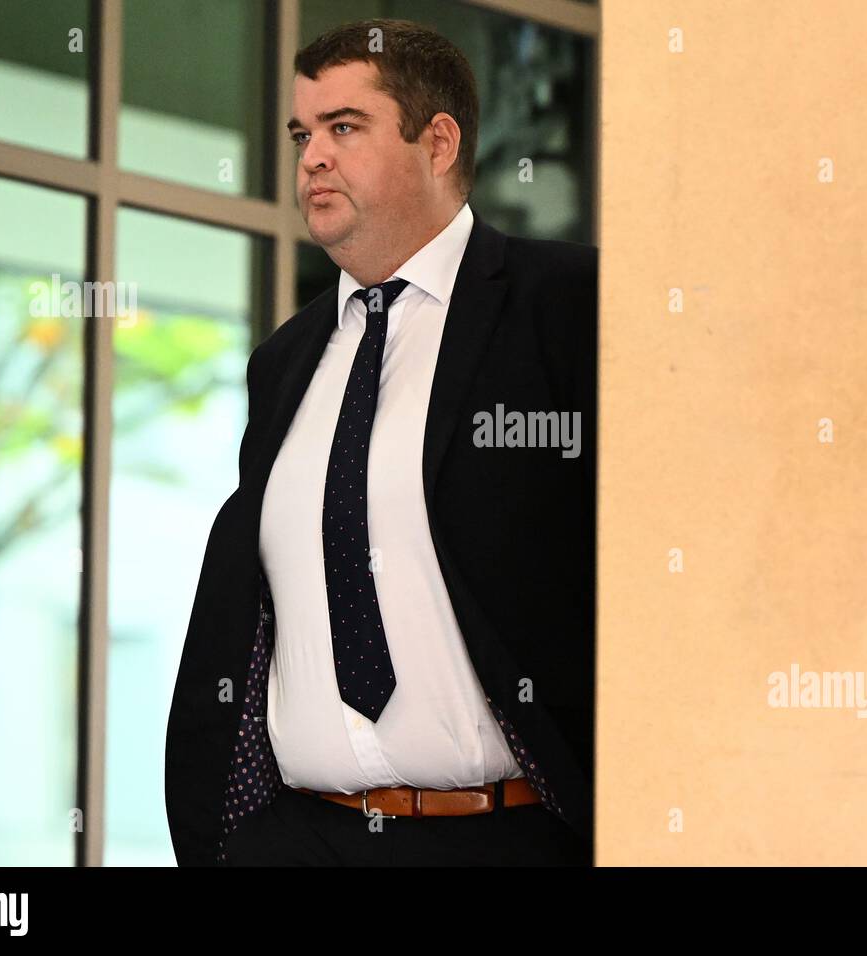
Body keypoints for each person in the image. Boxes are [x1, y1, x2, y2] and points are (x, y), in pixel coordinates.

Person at [165, 17, 596, 866]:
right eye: (303, 134)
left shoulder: (567, 303)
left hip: (506, 835)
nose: (311, 157)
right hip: (301, 835)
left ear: (437, 143)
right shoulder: (283, 363)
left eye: (344, 128)